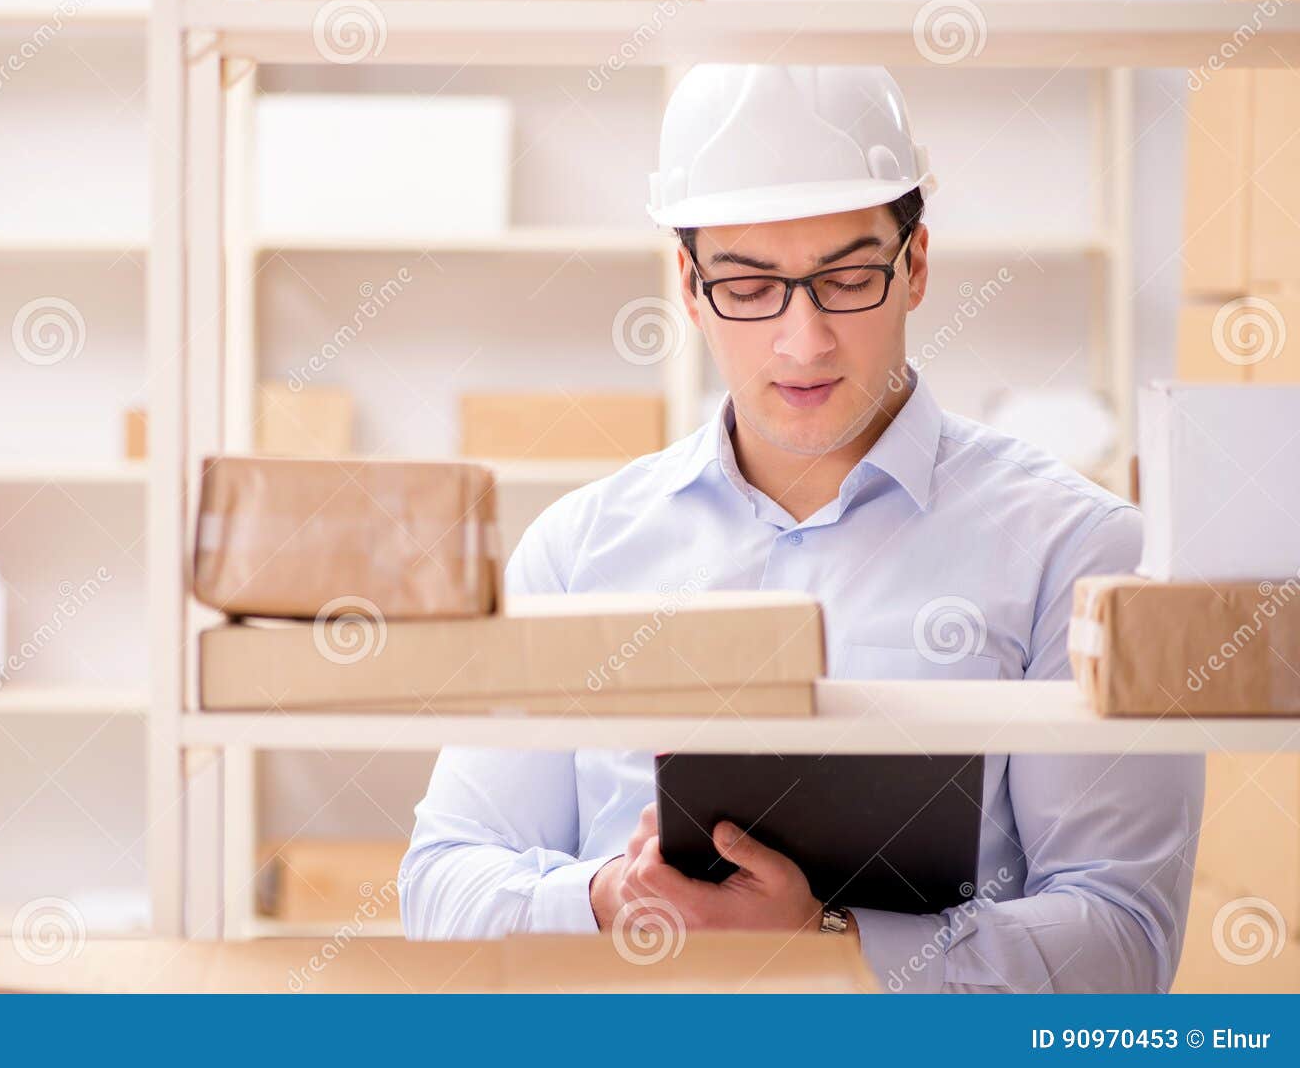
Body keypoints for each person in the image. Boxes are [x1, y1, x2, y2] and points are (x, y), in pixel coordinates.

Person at [399, 65, 1203, 993]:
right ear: (691, 290)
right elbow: (441, 888)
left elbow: (1124, 940)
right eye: (748, 288)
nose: (804, 340)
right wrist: (608, 897)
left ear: (918, 266)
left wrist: (833, 944)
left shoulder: (1081, 551)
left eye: (848, 278)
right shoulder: (578, 550)